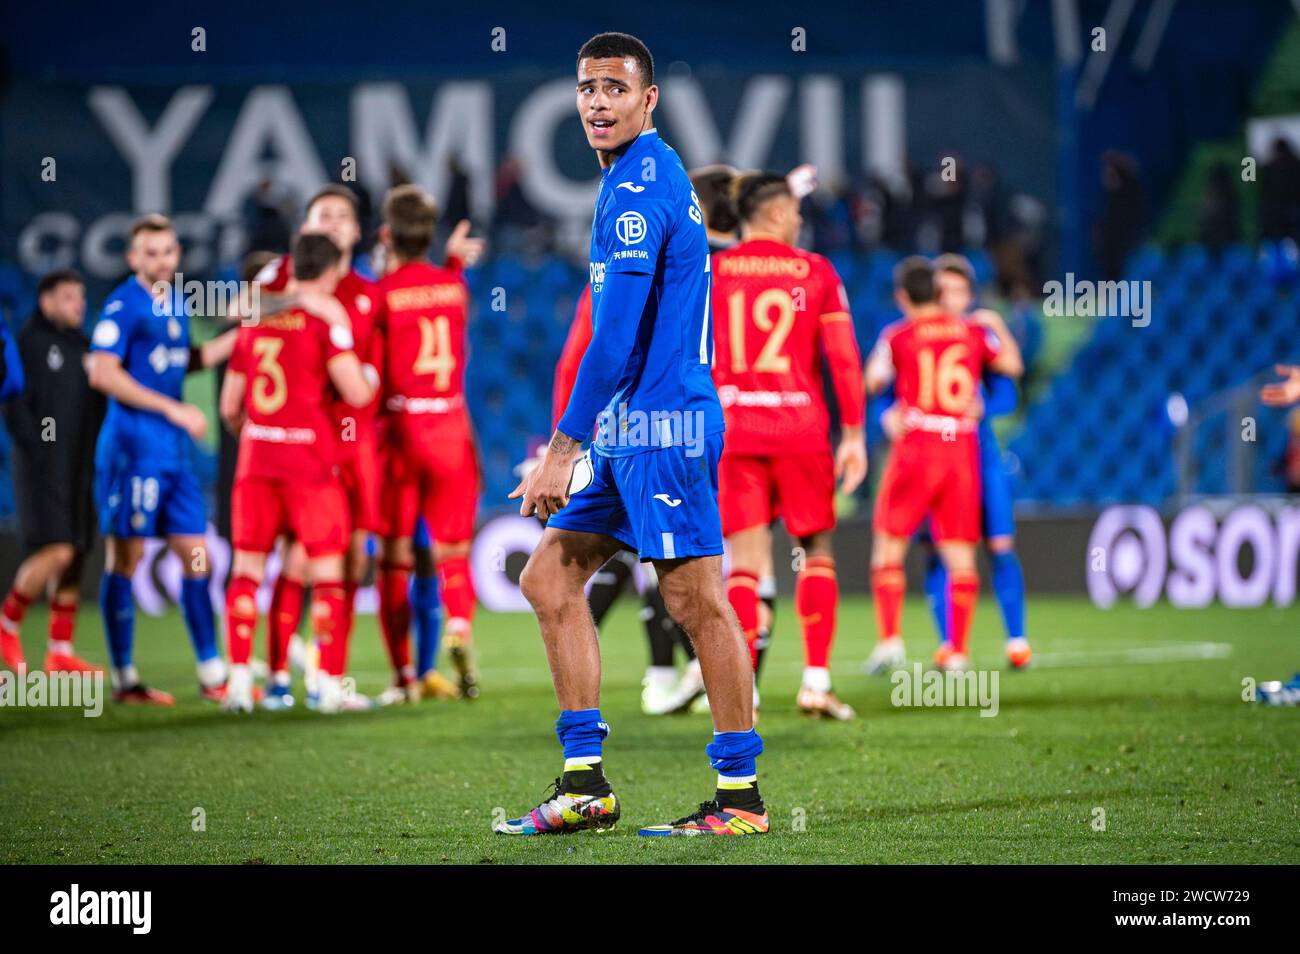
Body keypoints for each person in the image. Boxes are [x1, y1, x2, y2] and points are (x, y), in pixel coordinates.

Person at [499, 32, 766, 837]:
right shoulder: (638, 177)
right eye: (586, 88)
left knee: (695, 602)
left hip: (664, 427)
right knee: (549, 582)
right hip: (631, 428)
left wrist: (560, 451)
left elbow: (610, 344)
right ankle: (586, 786)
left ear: (649, 100)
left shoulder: (639, 189)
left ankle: (740, 798)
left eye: (615, 88)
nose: (597, 102)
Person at [710, 171, 866, 719]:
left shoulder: (716, 271)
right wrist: (853, 434)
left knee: (746, 564)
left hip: (734, 430)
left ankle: (744, 689)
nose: (801, 220)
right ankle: (816, 680)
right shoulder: (816, 271)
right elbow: (843, 358)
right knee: (815, 552)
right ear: (775, 213)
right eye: (795, 211)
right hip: (800, 430)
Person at [219, 233, 376, 713]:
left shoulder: (255, 322)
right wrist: (365, 372)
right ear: (330, 272)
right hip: (310, 465)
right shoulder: (325, 321)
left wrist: (262, 433)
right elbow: (357, 394)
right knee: (326, 573)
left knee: (247, 570)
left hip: (257, 463)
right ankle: (328, 687)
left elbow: (229, 407)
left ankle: (241, 685)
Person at [88, 214, 238, 704]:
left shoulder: (174, 301)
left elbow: (183, 360)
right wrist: (173, 407)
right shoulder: (123, 305)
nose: (161, 260)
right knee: (126, 559)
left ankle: (212, 672)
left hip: (173, 457)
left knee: (197, 559)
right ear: (133, 259)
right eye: (150, 253)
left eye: (168, 251)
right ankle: (126, 678)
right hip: (133, 451)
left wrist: (242, 335)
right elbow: (102, 372)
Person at [864, 257, 1022, 672]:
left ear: (902, 297)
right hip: (961, 451)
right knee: (960, 555)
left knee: (889, 546)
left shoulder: (898, 335)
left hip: (917, 446)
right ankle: (957, 652)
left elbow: (874, 380)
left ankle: (890, 640)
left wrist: (892, 406)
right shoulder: (971, 332)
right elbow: (1009, 365)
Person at [370, 185, 482, 703]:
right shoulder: (453, 288)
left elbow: (370, 374)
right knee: (453, 551)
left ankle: (403, 678)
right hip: (451, 427)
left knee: (394, 557)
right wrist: (455, 259)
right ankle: (458, 622)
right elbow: (447, 285)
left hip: (400, 432)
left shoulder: (379, 295)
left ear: (387, 235)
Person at [0, 270, 105, 675]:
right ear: (46, 302)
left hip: (80, 463)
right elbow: (12, 399)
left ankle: (60, 650)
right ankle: (8, 622)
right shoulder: (29, 344)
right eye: (67, 297)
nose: (77, 303)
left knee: (76, 551)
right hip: (43, 465)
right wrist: (38, 446)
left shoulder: (84, 346)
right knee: (57, 549)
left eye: (80, 296)